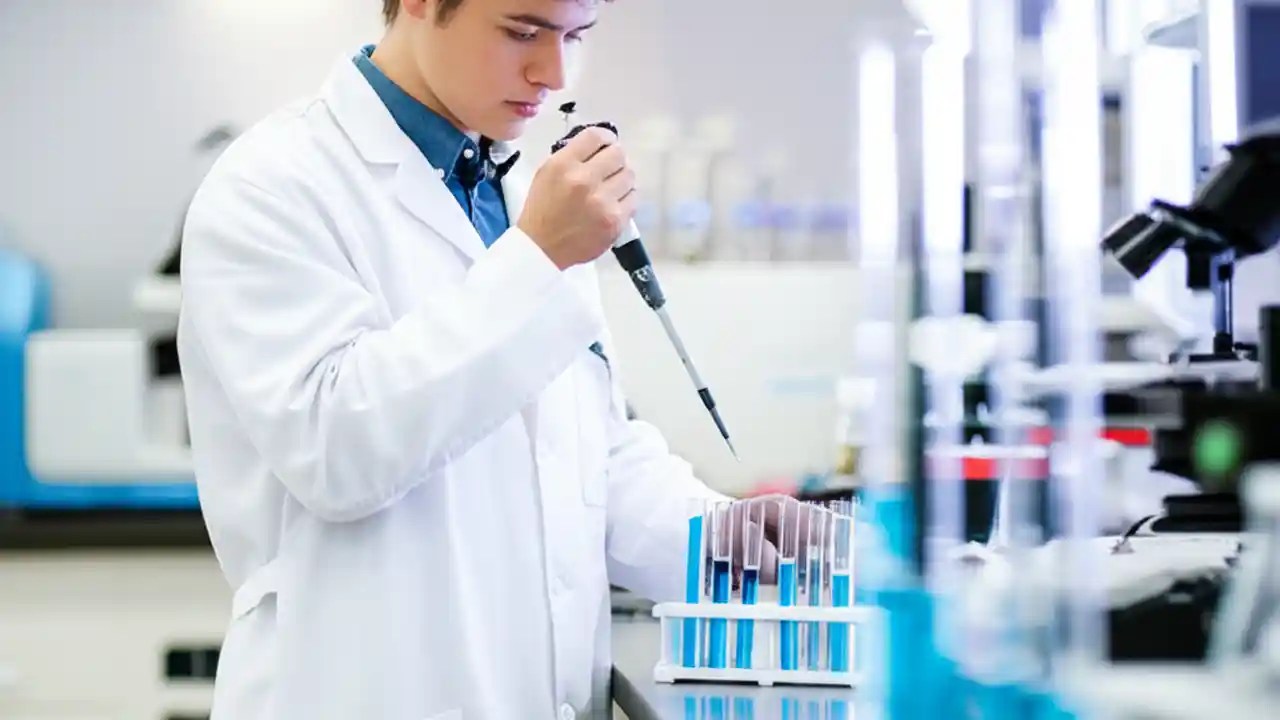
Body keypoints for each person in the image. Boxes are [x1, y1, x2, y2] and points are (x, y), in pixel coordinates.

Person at [177, 1, 750, 718]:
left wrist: (725, 541)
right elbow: (336, 448)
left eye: (576, 36)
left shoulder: (521, 193)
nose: (555, 73)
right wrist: (536, 260)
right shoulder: (271, 185)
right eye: (522, 32)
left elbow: (583, 454)